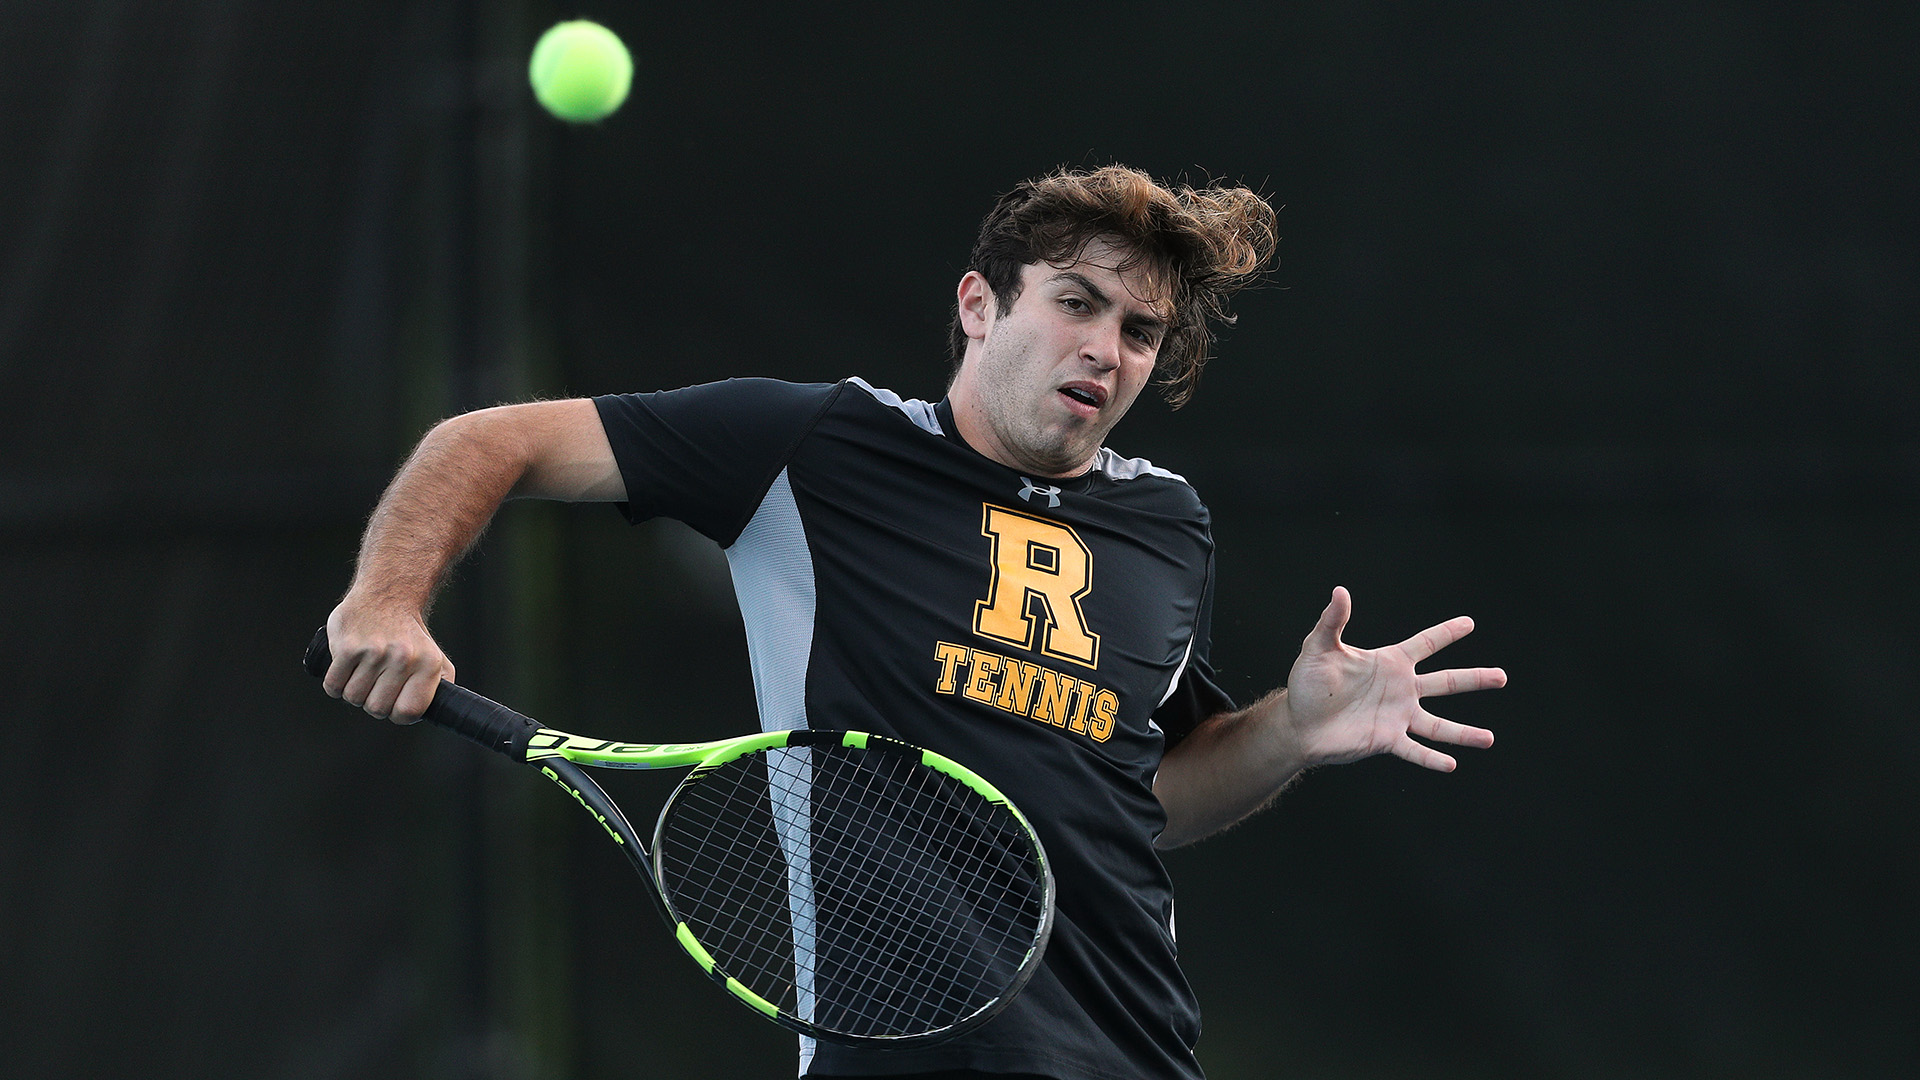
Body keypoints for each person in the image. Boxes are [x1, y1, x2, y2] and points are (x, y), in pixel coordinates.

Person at [320, 164, 1505, 1080]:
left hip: (1135, 1046)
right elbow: (491, 439)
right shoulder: (815, 446)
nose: (1106, 348)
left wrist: (1291, 730)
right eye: (1077, 304)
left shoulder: (1166, 524)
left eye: (1140, 332)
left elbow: (1149, 797)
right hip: (895, 1054)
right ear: (981, 305)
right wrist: (386, 600)